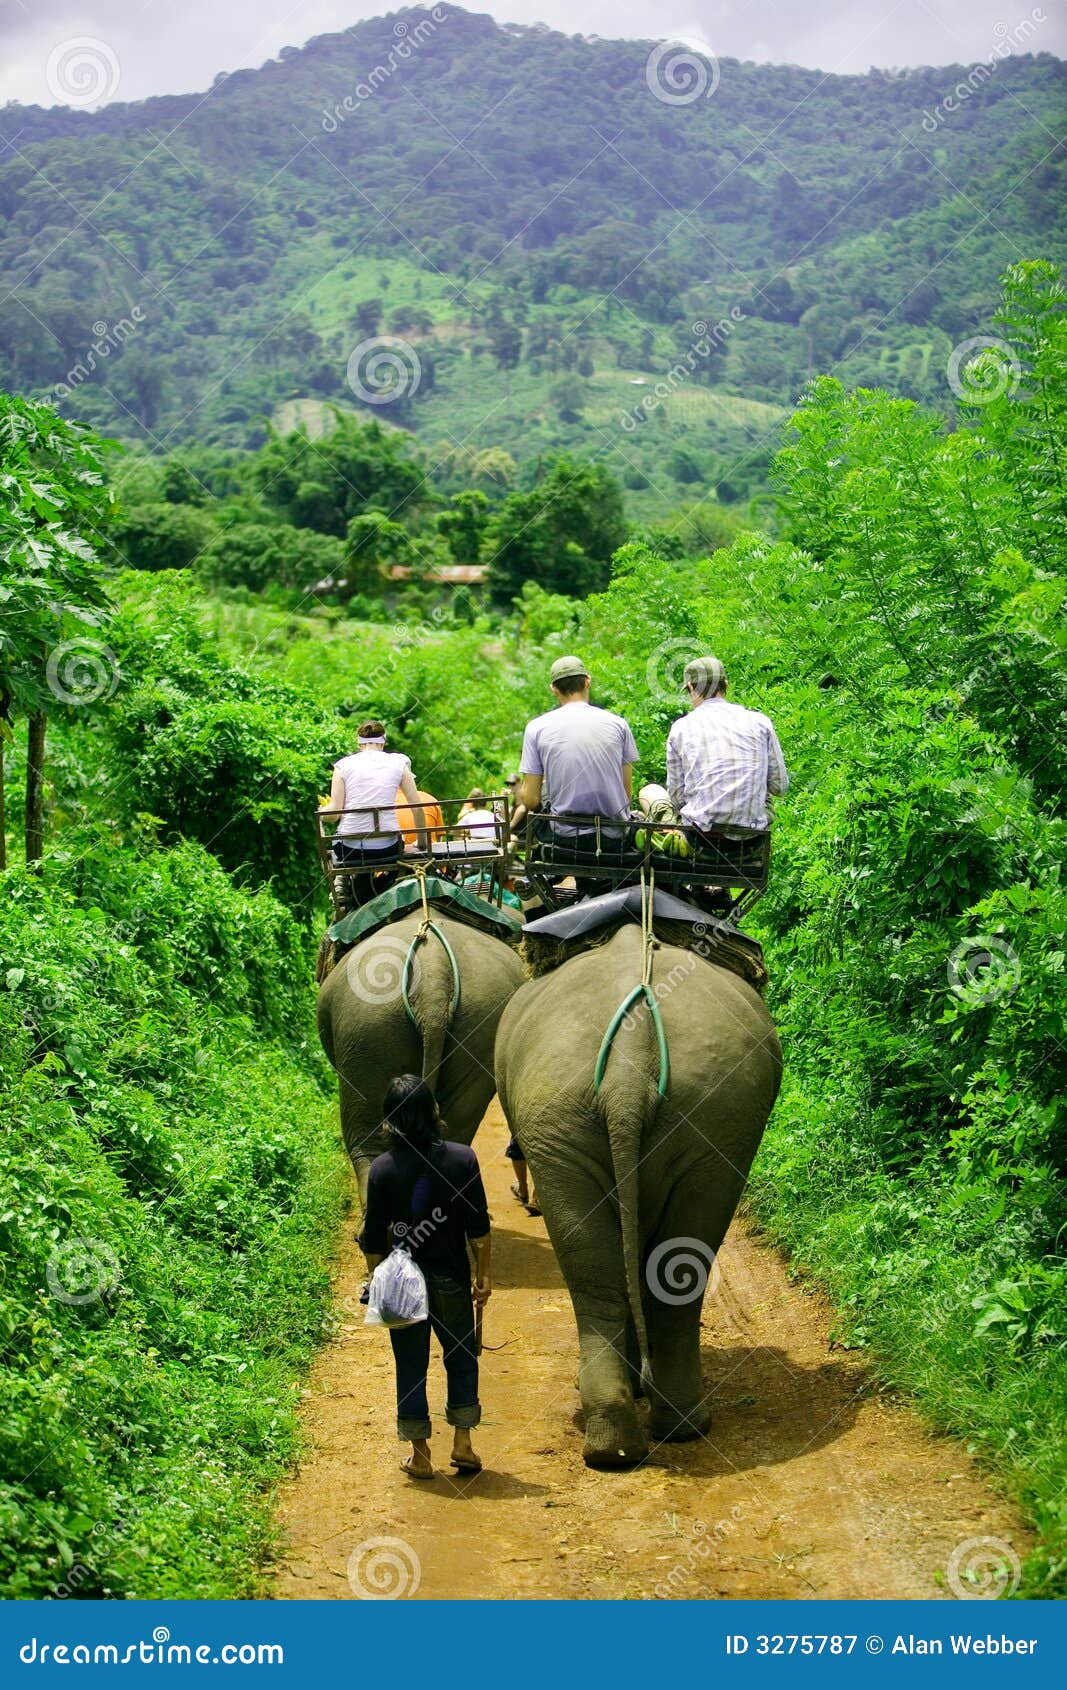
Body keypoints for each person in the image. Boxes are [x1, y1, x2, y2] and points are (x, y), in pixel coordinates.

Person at [361, 1075, 492, 1481]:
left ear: (389, 1121)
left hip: (403, 1286)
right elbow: (479, 1228)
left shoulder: (381, 1170)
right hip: (451, 1277)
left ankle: (420, 1455)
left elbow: (371, 1240)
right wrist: (483, 1276)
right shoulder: (462, 1159)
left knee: (411, 1365)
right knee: (462, 1358)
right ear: (434, 1113)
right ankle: (463, 1443)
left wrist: (375, 1280)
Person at [666, 656, 788, 838]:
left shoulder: (680, 728)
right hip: (750, 839)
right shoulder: (760, 723)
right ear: (726, 684)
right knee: (765, 797)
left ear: (691, 687)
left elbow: (677, 798)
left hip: (701, 838)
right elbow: (780, 787)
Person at [518, 656, 639, 833]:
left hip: (564, 835)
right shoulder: (618, 724)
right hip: (614, 835)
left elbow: (531, 801)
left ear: (554, 689)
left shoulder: (536, 728)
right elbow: (626, 794)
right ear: (587, 681)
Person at [328, 720, 425, 904]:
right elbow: (417, 807)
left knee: (343, 845)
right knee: (396, 853)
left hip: (350, 850)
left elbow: (333, 813)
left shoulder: (342, 765)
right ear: (383, 741)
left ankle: (348, 888)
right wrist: (421, 845)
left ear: (358, 744)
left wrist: (322, 810)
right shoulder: (399, 761)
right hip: (388, 848)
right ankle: (389, 887)